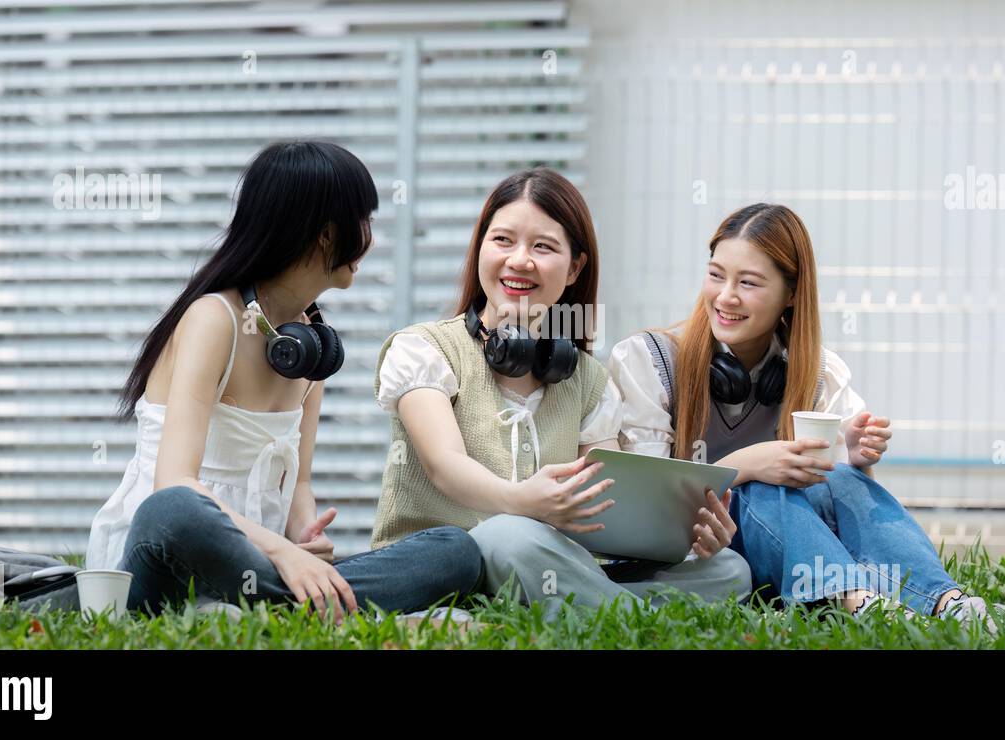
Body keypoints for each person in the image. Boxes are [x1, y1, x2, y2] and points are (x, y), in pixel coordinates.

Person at [85, 140, 482, 622]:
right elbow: (175, 482)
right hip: (164, 558)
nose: (370, 239)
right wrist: (282, 553)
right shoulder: (215, 320)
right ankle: (313, 607)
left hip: (254, 568)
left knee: (455, 550)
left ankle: (279, 609)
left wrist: (304, 536)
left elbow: (300, 483)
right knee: (172, 511)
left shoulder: (311, 347)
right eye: (364, 221)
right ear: (323, 233)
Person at [608, 202, 1005, 635]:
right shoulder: (650, 359)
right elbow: (647, 508)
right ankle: (861, 605)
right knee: (762, 487)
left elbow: (844, 500)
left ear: (791, 294)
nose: (725, 296)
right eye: (716, 274)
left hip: (789, 553)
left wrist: (855, 455)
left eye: (749, 283)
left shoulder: (818, 372)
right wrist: (746, 465)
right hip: (701, 555)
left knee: (842, 479)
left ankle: (952, 604)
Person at [370, 168, 751, 616]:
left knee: (728, 570)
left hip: (548, 566)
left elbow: (612, 502)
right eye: (503, 241)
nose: (519, 260)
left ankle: (584, 609)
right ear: (479, 250)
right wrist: (522, 501)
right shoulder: (423, 348)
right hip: (445, 568)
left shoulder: (588, 380)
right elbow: (444, 465)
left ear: (574, 268)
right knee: (506, 533)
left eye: (543, 247)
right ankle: (631, 622)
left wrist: (685, 533)